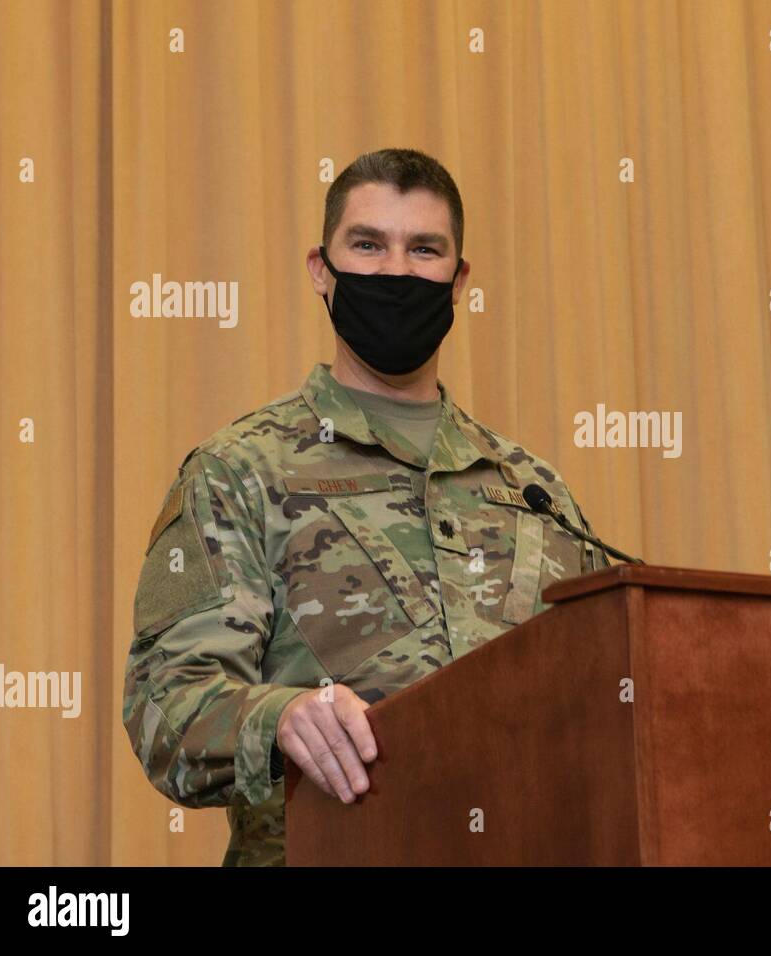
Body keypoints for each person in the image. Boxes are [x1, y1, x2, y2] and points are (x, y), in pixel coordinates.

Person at [122, 148, 610, 866]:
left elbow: (607, 692)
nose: (396, 271)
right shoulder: (239, 471)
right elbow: (166, 708)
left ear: (459, 280)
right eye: (368, 245)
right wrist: (281, 716)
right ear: (322, 269)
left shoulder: (532, 488)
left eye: (424, 249)